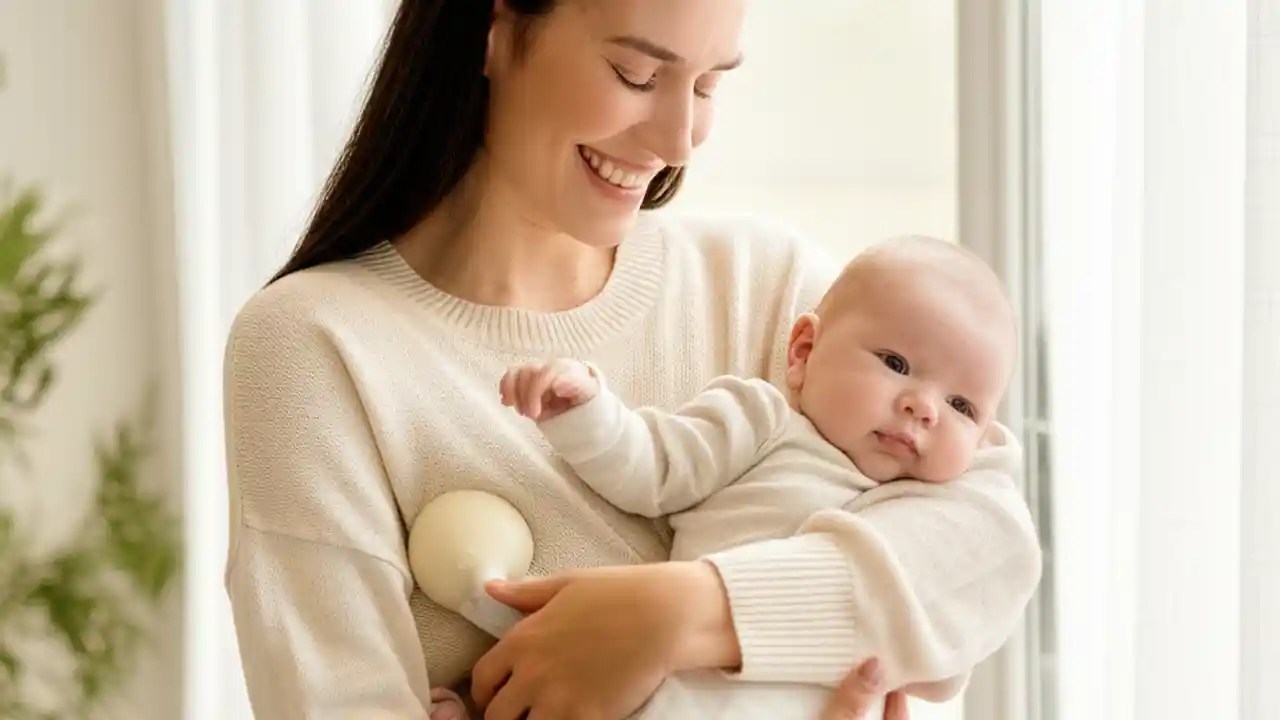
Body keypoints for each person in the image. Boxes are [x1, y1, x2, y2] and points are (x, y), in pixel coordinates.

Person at [221, 1, 1042, 718]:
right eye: (637, 74)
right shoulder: (318, 346)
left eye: (709, 85)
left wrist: (679, 615)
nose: (680, 138)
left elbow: (986, 554)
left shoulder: (764, 287)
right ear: (496, 31)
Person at [469, 237, 1032, 718]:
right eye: (897, 364)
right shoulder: (761, 422)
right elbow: (652, 468)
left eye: (962, 405)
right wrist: (586, 411)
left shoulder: (932, 507)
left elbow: (944, 656)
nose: (925, 408)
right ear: (803, 352)